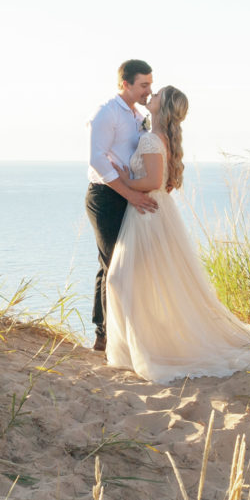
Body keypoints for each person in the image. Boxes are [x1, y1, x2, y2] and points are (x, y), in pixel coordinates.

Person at [103, 86, 250, 381]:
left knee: (119, 279)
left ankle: (144, 350)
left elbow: (152, 181)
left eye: (157, 95)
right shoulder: (158, 137)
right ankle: (142, 347)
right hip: (154, 214)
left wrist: (124, 178)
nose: (151, 95)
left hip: (148, 216)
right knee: (142, 282)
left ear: (162, 107)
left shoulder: (152, 139)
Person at [85, 59, 159, 353]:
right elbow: (97, 159)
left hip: (129, 193)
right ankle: (106, 336)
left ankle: (108, 333)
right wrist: (129, 193)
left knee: (114, 266)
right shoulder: (106, 112)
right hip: (106, 196)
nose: (148, 90)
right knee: (112, 266)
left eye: (150, 84)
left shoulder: (138, 115)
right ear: (125, 84)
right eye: (143, 85)